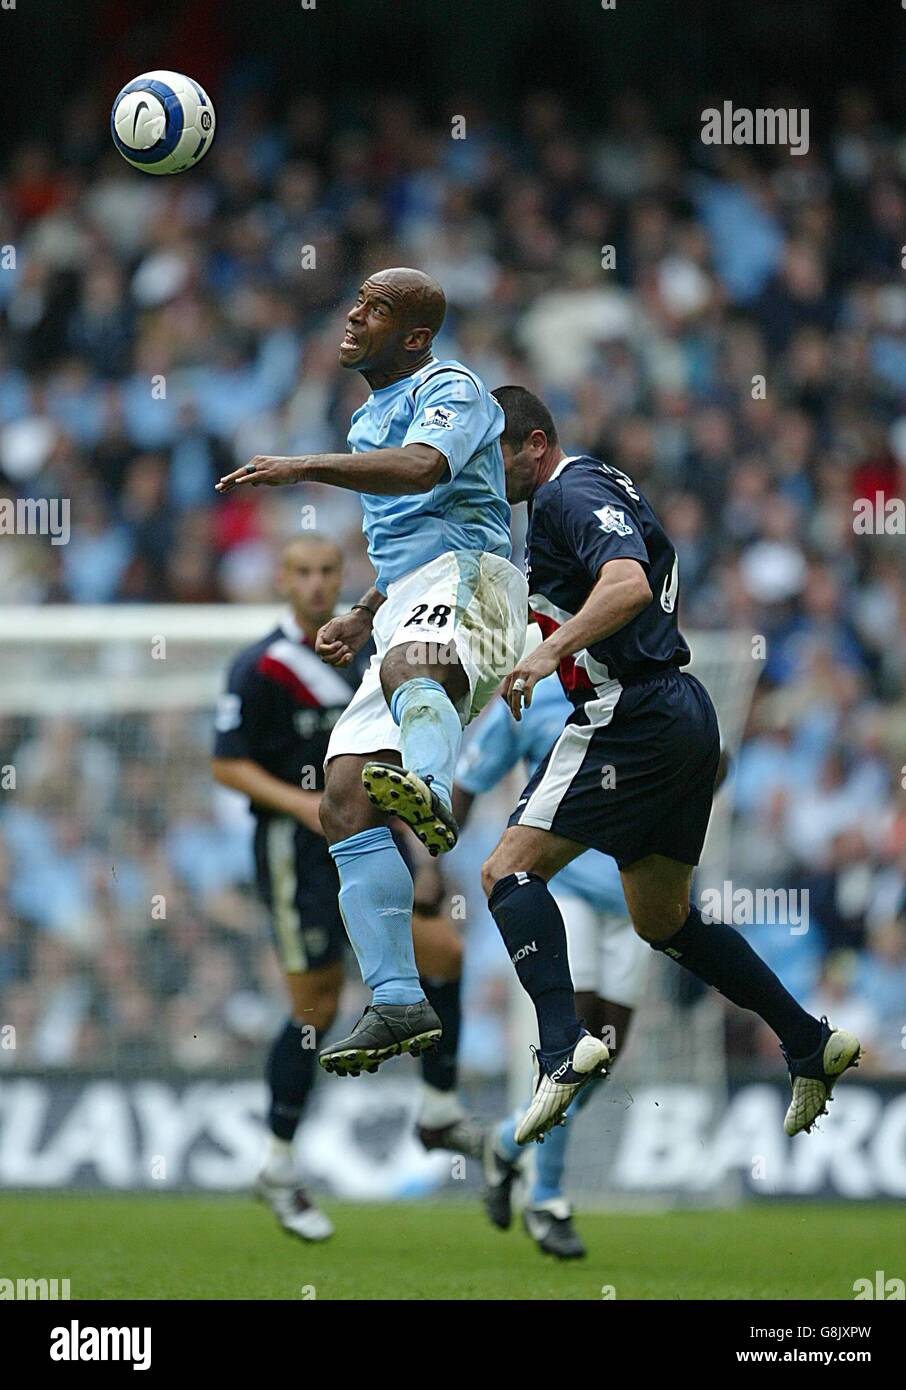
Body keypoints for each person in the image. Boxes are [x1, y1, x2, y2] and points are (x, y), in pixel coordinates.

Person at [479, 386, 861, 1145]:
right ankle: (807, 1040)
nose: (489, 475)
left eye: (495, 456)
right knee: (662, 918)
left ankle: (560, 1045)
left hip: (628, 714)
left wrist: (548, 653)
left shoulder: (567, 493)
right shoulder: (595, 489)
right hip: (683, 716)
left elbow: (625, 584)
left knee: (504, 872)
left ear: (532, 443)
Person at [217, 269, 528, 1078]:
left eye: (375, 308)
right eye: (355, 301)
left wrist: (300, 467)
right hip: (406, 603)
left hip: (476, 582)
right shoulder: (365, 419)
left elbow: (425, 469)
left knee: (409, 665)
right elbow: (401, 541)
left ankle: (428, 785)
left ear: (415, 336)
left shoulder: (451, 386)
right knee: (343, 795)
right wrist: (362, 605)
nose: (353, 315)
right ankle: (396, 1000)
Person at [213, 534, 481, 1242]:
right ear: (282, 578)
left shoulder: (372, 653)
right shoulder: (261, 667)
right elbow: (227, 766)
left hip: (370, 838)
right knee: (317, 1007)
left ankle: (438, 1107)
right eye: (301, 571)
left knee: (445, 953)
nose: (314, 583)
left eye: (327, 571)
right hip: (295, 851)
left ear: (341, 578)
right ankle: (276, 1160)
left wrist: (420, 851)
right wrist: (303, 805)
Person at [454, 669, 646, 1259]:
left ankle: (507, 1146)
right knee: (576, 1039)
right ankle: (547, 1198)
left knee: (602, 1058)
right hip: (560, 887)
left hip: (638, 894)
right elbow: (467, 783)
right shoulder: (532, 691)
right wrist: (424, 865)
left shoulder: (647, 682)